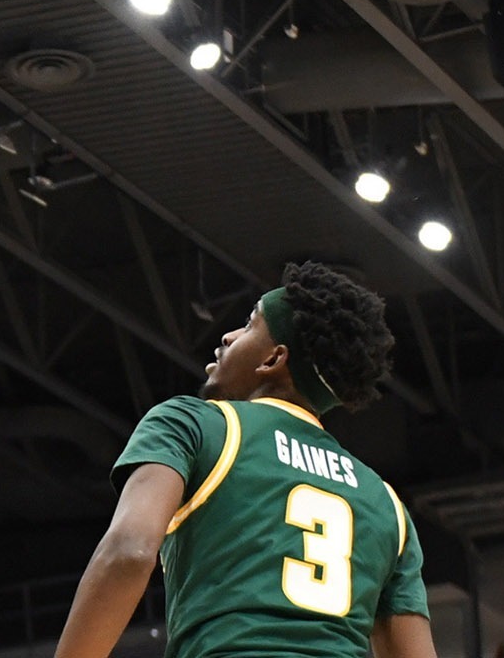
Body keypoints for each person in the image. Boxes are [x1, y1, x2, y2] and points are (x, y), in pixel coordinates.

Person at [53, 261, 433, 658]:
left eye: (250, 324)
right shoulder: (387, 504)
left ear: (273, 360)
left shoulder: (194, 424)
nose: (228, 335)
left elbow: (129, 552)